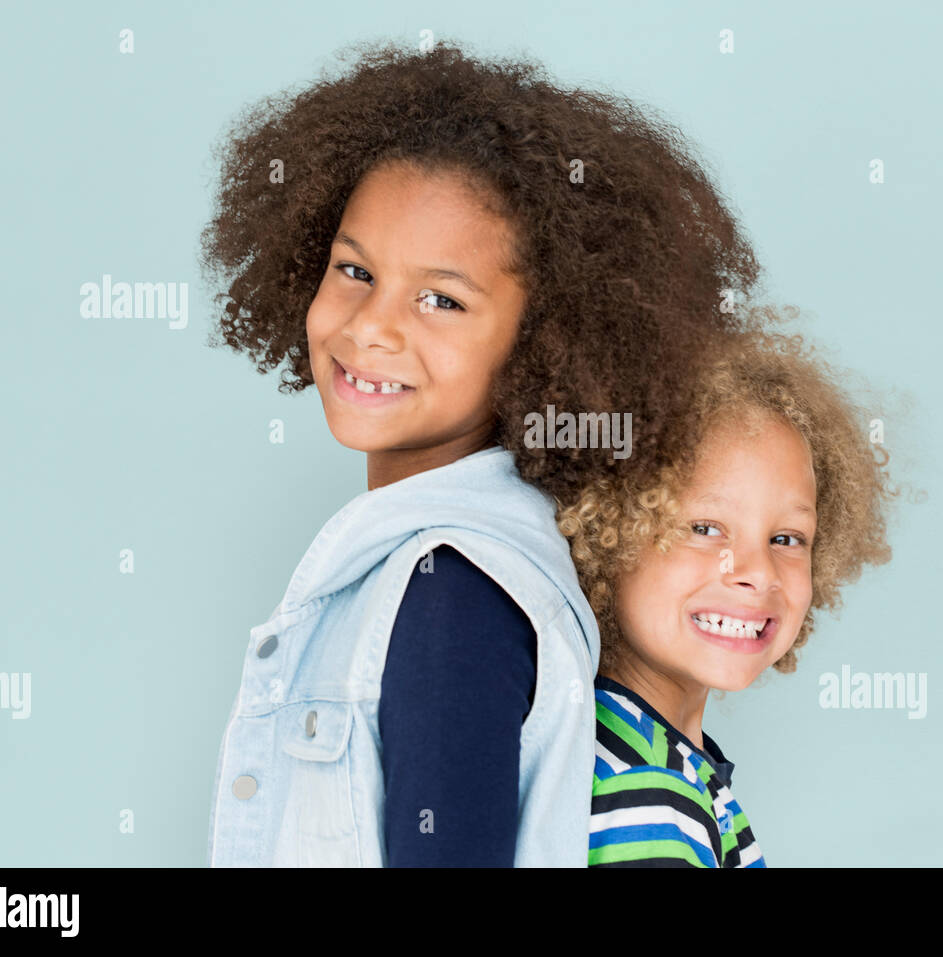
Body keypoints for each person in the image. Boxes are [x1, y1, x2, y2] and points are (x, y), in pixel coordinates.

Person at [200, 38, 762, 866]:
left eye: (442, 298)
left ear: (545, 341)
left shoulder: (452, 592)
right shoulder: (431, 568)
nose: (373, 325)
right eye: (354, 270)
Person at [558, 325, 906, 866]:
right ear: (606, 531)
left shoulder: (657, 759)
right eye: (704, 527)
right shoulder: (648, 793)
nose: (757, 571)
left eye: (786, 539)